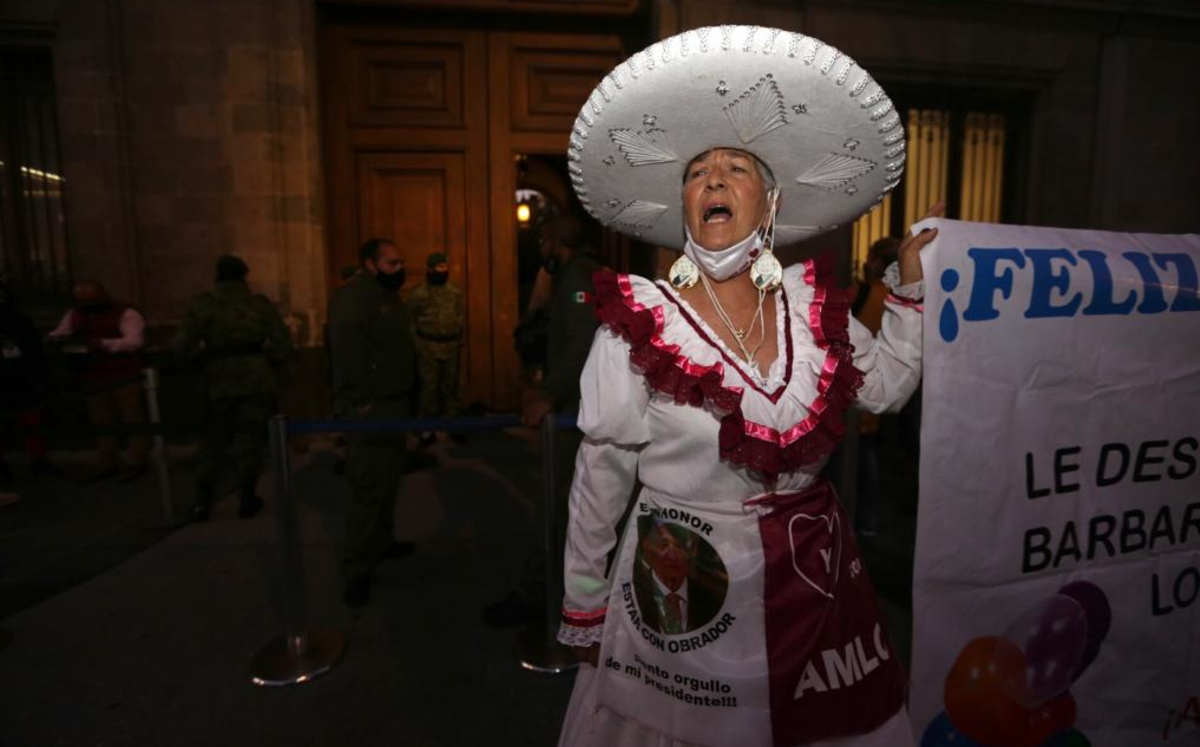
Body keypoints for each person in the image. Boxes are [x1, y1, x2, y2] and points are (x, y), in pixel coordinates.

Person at [554, 26, 942, 747]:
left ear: (770, 203)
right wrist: (582, 599)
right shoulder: (639, 324)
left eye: (735, 167)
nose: (713, 180)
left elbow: (884, 389)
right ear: (685, 205)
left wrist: (909, 296)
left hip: (815, 587)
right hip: (686, 594)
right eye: (697, 172)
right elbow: (600, 473)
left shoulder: (813, 310)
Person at [482, 211, 603, 628]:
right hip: (582, 409)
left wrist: (549, 392)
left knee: (555, 506)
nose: (542, 251)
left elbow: (581, 344)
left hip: (576, 413)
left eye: (544, 242)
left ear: (557, 242)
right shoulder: (579, 274)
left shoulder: (576, 279)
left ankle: (541, 595)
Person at [327, 237, 417, 608]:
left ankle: (382, 542)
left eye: (400, 263)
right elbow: (347, 351)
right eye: (392, 263)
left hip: (394, 405)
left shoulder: (385, 295)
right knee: (367, 487)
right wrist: (358, 399)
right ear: (370, 263)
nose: (400, 270)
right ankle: (356, 569)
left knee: (389, 477)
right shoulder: (354, 298)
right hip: (371, 408)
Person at [176, 255, 293, 521]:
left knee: (211, 443)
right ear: (243, 276)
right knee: (249, 442)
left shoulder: (203, 304)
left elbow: (182, 346)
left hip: (216, 380)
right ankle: (247, 500)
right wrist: (267, 363)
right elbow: (282, 343)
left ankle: (202, 503)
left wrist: (201, 361)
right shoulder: (258, 304)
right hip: (255, 379)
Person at [48, 280, 149, 482]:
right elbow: (62, 330)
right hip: (93, 376)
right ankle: (107, 462)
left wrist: (103, 344)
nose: (87, 306)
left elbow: (134, 341)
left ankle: (136, 461)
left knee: (132, 421)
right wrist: (56, 338)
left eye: (90, 300)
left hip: (123, 375)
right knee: (102, 423)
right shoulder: (76, 314)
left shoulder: (125, 313)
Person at [851, 237, 901, 537]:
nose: (867, 262)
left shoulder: (863, 293)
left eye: (871, 257)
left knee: (858, 460)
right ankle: (868, 520)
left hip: (855, 388)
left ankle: (856, 519)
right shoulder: (899, 301)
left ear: (879, 264)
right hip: (882, 385)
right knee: (869, 456)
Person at [0, 283, 59, 482]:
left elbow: (34, 350)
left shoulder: (20, 321)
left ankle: (39, 458)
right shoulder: (20, 321)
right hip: (11, 377)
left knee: (30, 419)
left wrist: (39, 377)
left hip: (21, 377)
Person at [408, 252, 464, 445]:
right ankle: (427, 429)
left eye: (445, 267)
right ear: (430, 270)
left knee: (452, 387)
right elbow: (411, 322)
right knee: (428, 389)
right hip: (427, 347)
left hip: (451, 346)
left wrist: (458, 338)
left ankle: (453, 425)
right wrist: (418, 345)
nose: (444, 270)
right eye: (439, 267)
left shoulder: (454, 292)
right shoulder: (418, 293)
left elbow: (460, 316)